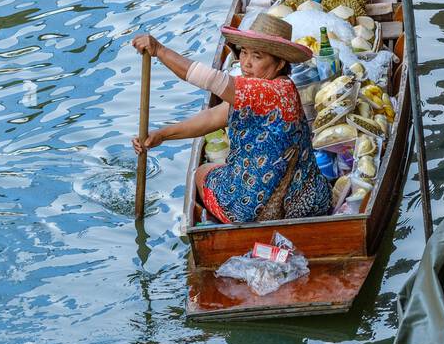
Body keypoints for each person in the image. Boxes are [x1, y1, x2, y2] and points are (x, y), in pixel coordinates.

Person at [130, 16, 331, 224]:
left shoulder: (270, 92)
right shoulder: (270, 89)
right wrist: (161, 135)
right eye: (243, 52)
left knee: (201, 173)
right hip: (311, 201)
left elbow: (208, 79)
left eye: (257, 56)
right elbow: (211, 118)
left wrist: (159, 50)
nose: (246, 63)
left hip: (259, 210)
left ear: (280, 63)